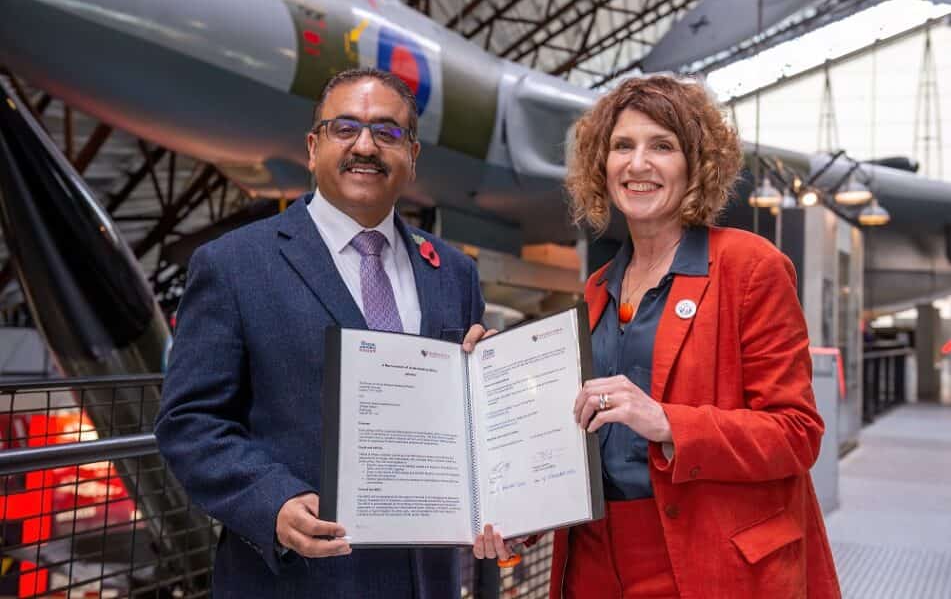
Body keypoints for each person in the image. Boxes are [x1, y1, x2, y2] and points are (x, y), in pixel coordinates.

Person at [475, 75, 841, 598]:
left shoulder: (749, 267)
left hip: (704, 556)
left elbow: (796, 433)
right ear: (602, 166)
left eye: (662, 146)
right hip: (594, 560)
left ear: (696, 165)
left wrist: (667, 421)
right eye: (622, 146)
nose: (638, 164)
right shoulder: (599, 289)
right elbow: (581, 436)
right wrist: (521, 509)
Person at [155, 68, 490, 598]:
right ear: (313, 148)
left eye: (387, 132)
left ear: (412, 156)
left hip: (429, 582)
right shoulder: (235, 265)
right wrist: (274, 502)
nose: (366, 146)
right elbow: (189, 421)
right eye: (345, 129)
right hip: (298, 581)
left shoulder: (452, 272)